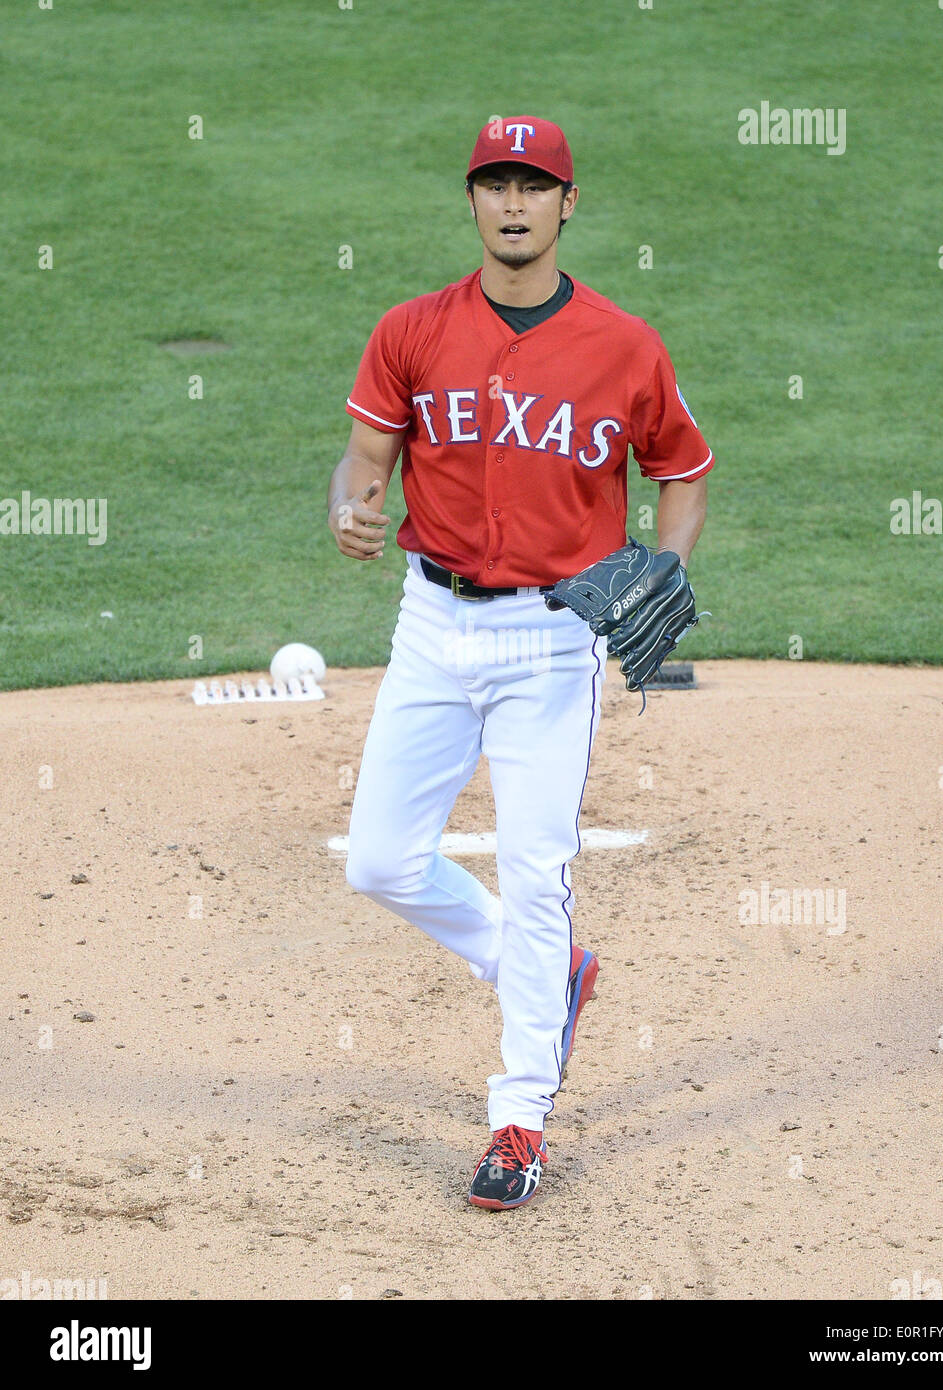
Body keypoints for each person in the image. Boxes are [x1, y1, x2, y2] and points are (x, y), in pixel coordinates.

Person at [327, 115, 712, 1210]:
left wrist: (663, 566)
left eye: (532, 186)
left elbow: (681, 469)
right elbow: (362, 462)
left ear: (565, 205)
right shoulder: (410, 330)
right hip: (431, 625)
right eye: (494, 184)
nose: (512, 203)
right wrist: (352, 511)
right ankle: (545, 980)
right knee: (380, 862)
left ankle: (518, 1117)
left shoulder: (624, 345)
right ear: (472, 200)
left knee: (536, 873)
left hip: (553, 639)